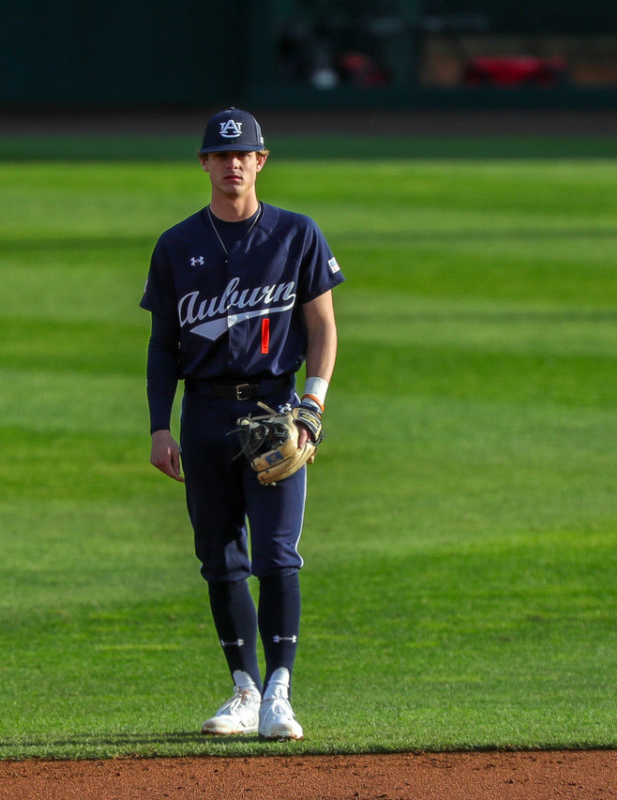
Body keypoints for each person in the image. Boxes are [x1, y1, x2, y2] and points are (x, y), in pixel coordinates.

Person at [140, 107, 343, 740]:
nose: (232, 165)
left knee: (277, 554)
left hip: (274, 410)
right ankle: (243, 690)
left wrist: (312, 406)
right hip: (202, 414)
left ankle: (281, 691)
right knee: (219, 558)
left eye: (243, 154)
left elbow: (322, 327)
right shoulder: (177, 244)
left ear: (260, 161)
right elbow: (161, 344)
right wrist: (159, 426)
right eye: (220, 155)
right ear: (204, 163)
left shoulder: (296, 234)